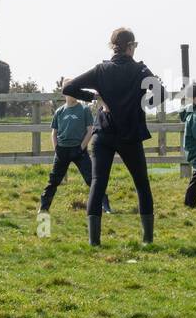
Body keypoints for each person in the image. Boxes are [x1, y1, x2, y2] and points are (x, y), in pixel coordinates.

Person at [62, 27, 162, 245]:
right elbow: (160, 94)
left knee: (98, 183)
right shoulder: (141, 71)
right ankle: (147, 240)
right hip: (130, 135)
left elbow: (68, 87)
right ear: (129, 47)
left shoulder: (101, 70)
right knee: (142, 185)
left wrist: (93, 97)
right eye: (134, 46)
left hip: (104, 134)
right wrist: (145, 102)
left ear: (113, 47)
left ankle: (94, 242)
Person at [39, 87, 110, 214]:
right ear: (64, 92)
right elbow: (54, 133)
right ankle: (44, 207)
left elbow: (90, 130)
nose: (72, 93)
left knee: (91, 179)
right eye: (69, 90)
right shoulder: (59, 111)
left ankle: (104, 204)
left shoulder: (84, 109)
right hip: (62, 151)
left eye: (74, 89)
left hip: (79, 151)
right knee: (54, 180)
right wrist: (57, 149)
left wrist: (81, 147)